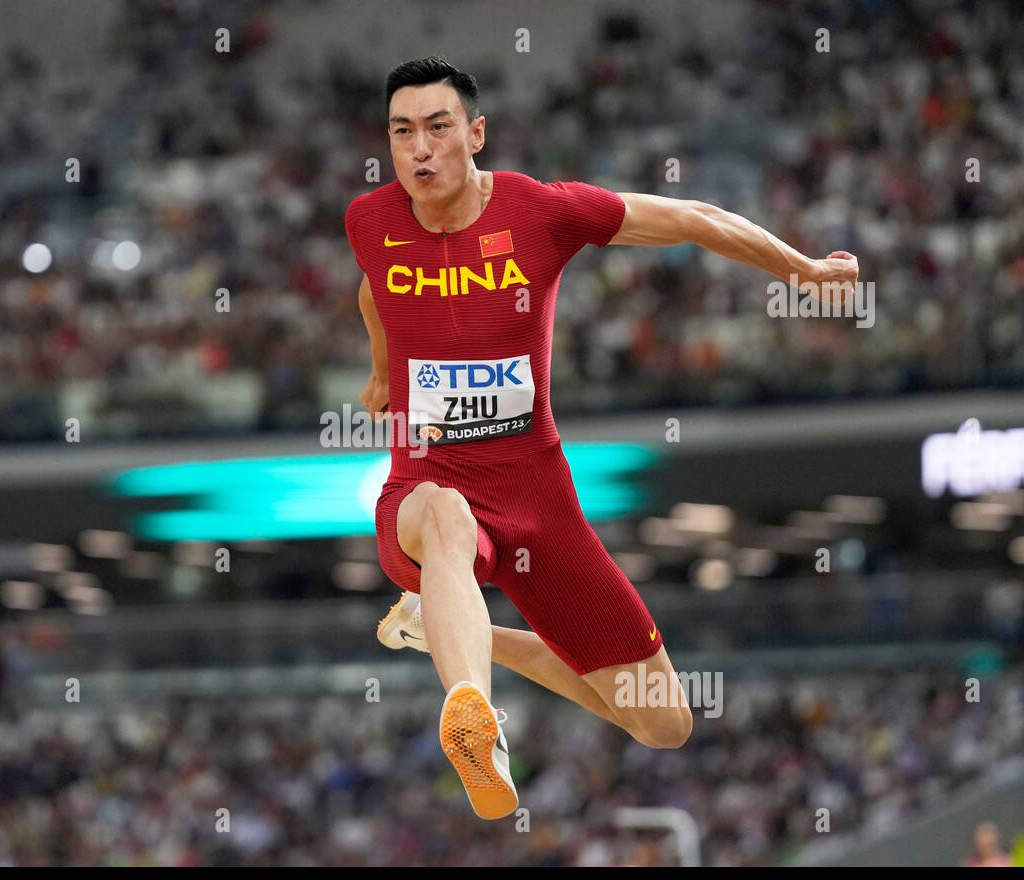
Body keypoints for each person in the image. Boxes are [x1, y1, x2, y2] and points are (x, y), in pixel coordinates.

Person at [344, 56, 858, 819]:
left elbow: (694, 220)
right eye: (401, 132)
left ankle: (437, 629)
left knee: (663, 719)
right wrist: (383, 373)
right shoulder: (370, 220)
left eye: (438, 128)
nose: (418, 149)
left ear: (476, 134)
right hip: (423, 495)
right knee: (445, 514)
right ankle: (474, 721)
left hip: (538, 505)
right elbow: (374, 283)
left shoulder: (541, 212)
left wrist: (802, 268)